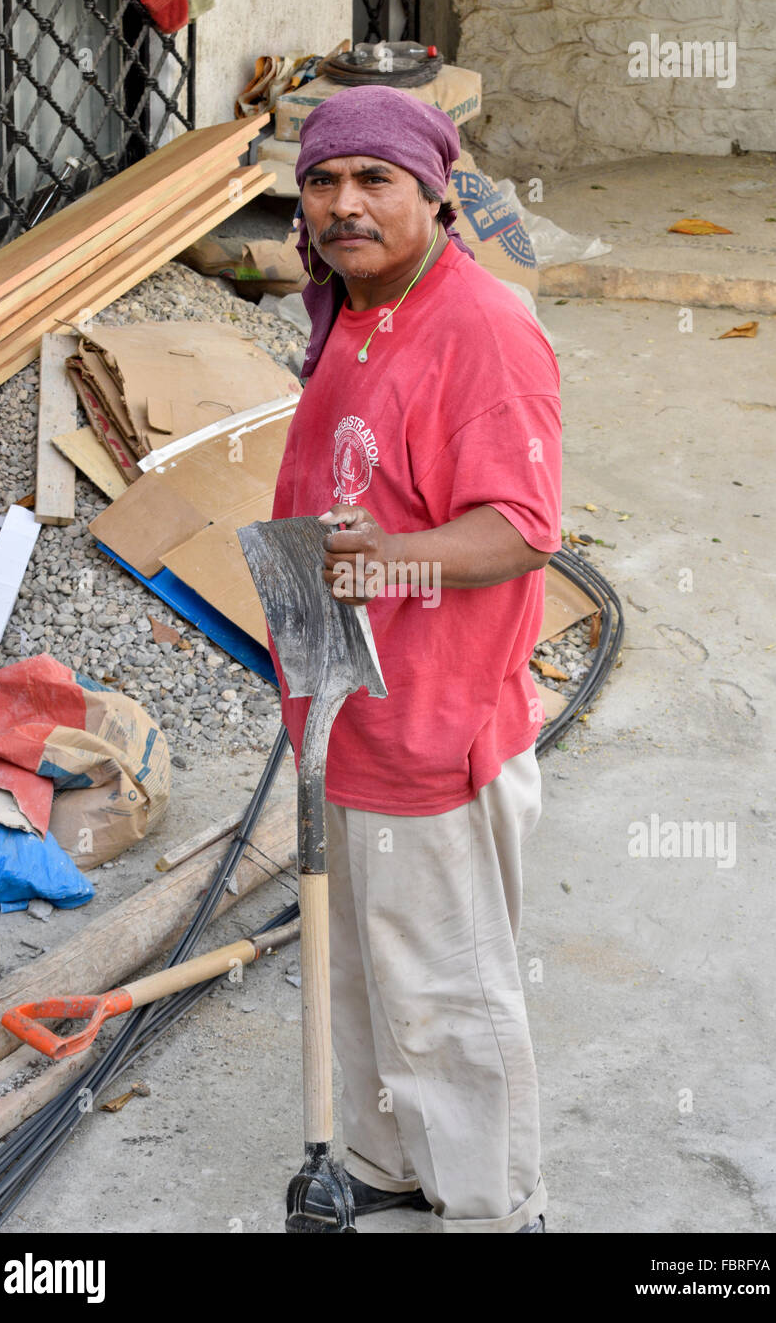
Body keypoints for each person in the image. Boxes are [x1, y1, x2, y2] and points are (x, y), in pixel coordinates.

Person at [268, 84, 562, 1234]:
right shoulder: (346, 304)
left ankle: (494, 1204)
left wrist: (385, 564)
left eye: (374, 180)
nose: (344, 204)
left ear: (436, 193)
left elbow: (520, 527)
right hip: (343, 706)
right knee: (355, 972)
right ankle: (390, 1162)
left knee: (446, 992)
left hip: (434, 728)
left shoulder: (482, 329)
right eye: (322, 180)